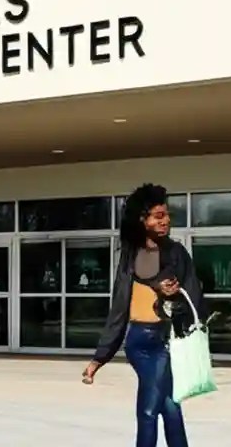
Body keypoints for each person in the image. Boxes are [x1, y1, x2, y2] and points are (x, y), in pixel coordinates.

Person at [83, 183, 205, 447]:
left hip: (166, 342)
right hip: (138, 343)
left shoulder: (176, 253)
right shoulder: (130, 255)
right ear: (143, 219)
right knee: (164, 405)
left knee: (159, 408)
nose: (166, 220)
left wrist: (171, 295)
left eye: (167, 215)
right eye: (158, 216)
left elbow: (194, 300)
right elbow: (119, 308)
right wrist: (99, 358)